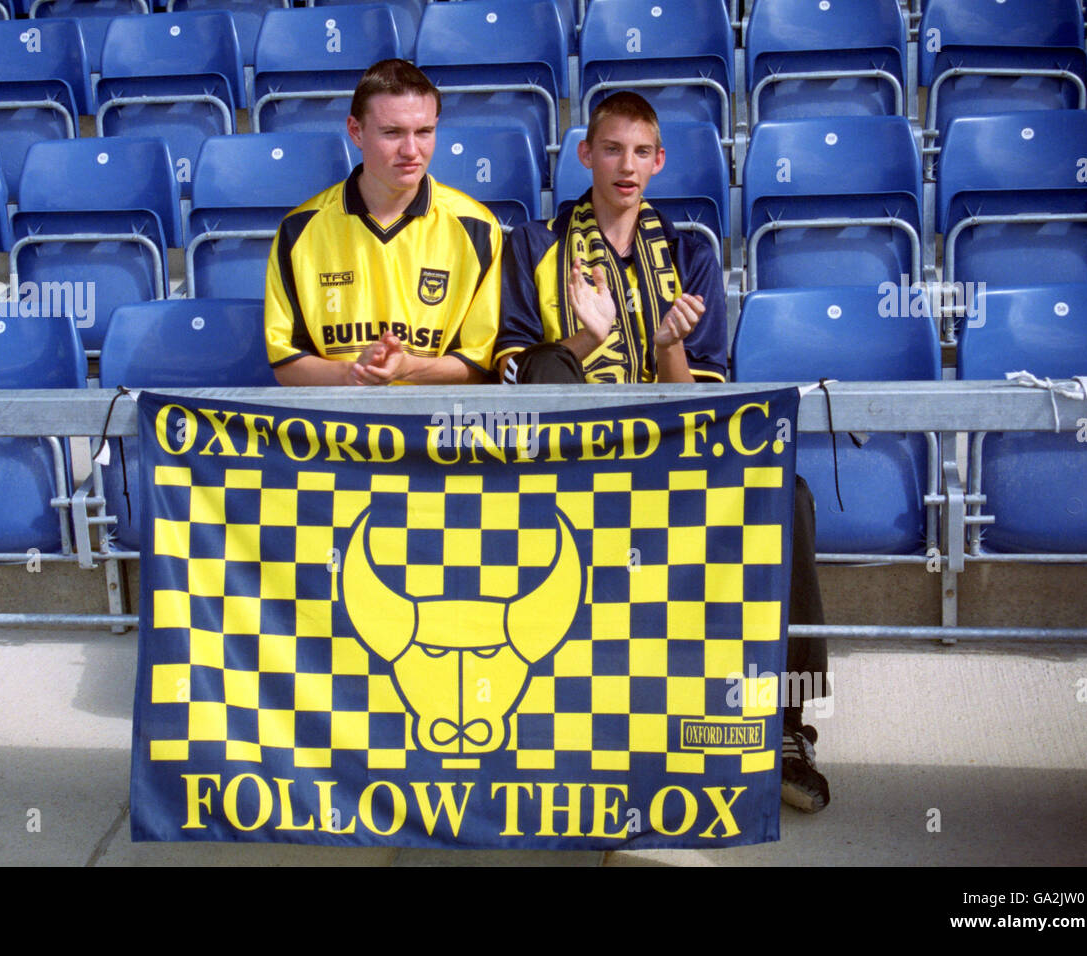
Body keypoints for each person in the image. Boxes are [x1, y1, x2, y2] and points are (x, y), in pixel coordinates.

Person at [495, 91, 832, 812]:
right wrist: (586, 338)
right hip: (567, 470)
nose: (626, 165)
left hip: (672, 465)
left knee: (789, 497)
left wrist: (668, 344)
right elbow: (519, 379)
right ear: (584, 155)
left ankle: (784, 728)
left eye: (640, 151)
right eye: (611, 149)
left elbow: (702, 404)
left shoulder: (688, 255)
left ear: (659, 161)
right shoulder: (533, 245)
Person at [264, 59, 502, 386]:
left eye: (424, 132)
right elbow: (286, 364)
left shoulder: (477, 227)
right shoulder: (299, 229)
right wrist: (355, 373)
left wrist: (407, 368)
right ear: (355, 131)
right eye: (392, 133)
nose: (410, 150)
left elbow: (480, 365)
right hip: (338, 424)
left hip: (436, 424)